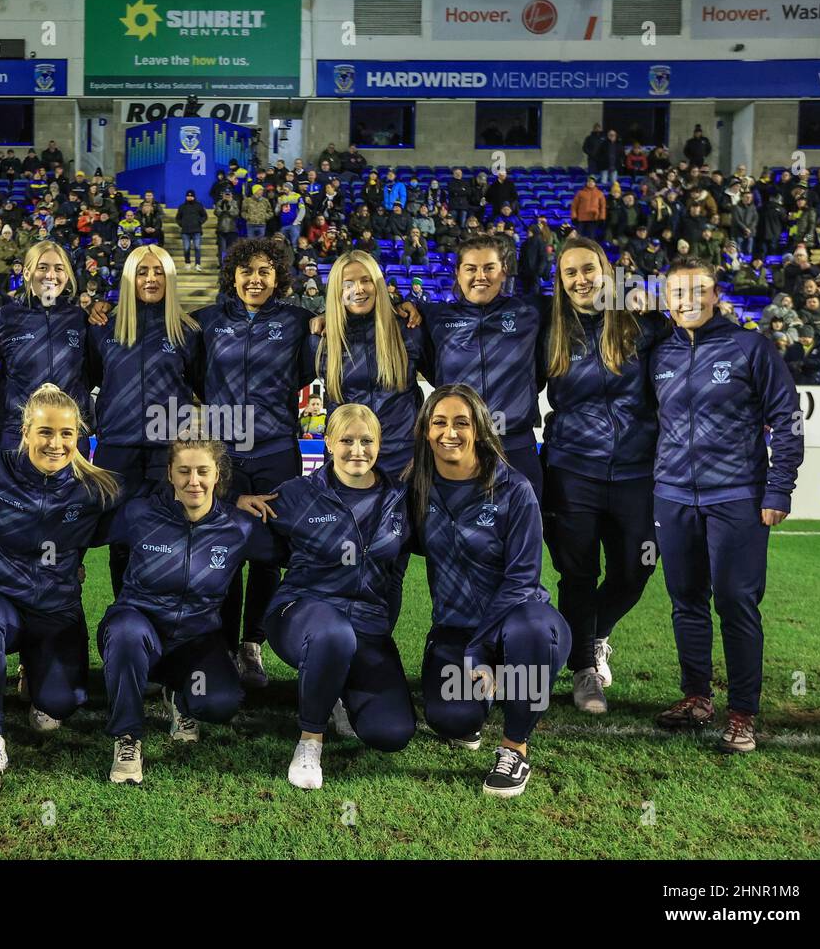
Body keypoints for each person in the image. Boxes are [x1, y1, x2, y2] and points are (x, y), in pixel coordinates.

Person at [649, 257, 804, 753]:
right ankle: (697, 697)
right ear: (666, 300)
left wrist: (778, 489)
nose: (687, 300)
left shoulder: (750, 347)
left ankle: (742, 713)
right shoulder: (658, 352)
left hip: (737, 496)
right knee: (685, 600)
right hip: (672, 495)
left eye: (697, 290)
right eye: (677, 293)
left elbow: (787, 418)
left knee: (736, 601)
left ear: (715, 294)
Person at [0, 385, 122, 791]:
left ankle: (35, 669)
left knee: (59, 706)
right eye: (45, 432)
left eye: (67, 434)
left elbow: (160, 499)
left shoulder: (97, 488)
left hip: (56, 611)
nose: (56, 443)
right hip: (1, 600)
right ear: (25, 431)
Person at [243, 404, 416, 790]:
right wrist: (234, 502)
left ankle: (335, 689)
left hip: (366, 626)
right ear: (328, 444)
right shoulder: (299, 493)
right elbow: (238, 526)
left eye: (367, 441)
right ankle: (310, 739)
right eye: (347, 440)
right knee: (332, 634)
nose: (357, 450)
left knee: (391, 733)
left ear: (380, 444)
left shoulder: (400, 498)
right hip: (301, 613)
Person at [410, 385, 571, 797]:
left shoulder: (514, 490)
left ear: (479, 430)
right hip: (455, 629)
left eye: (462, 422)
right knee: (451, 719)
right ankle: (478, 705)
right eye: (440, 422)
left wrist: (479, 651)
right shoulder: (415, 489)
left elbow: (521, 581)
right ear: (426, 432)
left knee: (531, 632)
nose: (451, 432)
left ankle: (514, 747)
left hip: (518, 622)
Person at [541, 238, 671, 713]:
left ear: (607, 271)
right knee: (576, 574)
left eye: (589, 269)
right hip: (572, 469)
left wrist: (651, 294)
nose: (581, 279)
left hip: (637, 472)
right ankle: (583, 672)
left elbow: (689, 317)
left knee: (637, 568)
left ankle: (595, 635)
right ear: (560, 279)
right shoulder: (547, 327)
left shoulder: (644, 325)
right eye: (570, 271)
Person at [99, 437, 273, 784]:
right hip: (139, 627)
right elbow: (78, 529)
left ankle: (180, 695)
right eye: (184, 471)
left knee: (219, 702)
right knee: (127, 634)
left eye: (202, 471)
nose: (194, 481)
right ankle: (128, 738)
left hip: (195, 640)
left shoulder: (238, 526)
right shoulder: (139, 513)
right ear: (170, 473)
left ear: (217, 475)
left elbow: (290, 551)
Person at [194, 238, 313, 686]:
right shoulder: (206, 321)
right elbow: (196, 376)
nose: (255, 279)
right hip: (223, 455)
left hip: (276, 449)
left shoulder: (298, 321)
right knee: (224, 549)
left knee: (268, 554)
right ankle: (224, 646)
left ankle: (252, 646)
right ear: (233, 276)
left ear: (277, 278)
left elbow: (305, 374)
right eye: (246, 271)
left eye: (264, 271)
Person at [88, 245, 201, 594]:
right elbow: (89, 379)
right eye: (142, 271)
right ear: (129, 278)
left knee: (169, 540)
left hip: (167, 454)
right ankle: (124, 617)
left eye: (158, 272)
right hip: (116, 452)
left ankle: (164, 621)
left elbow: (203, 388)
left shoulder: (187, 331)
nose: (150, 279)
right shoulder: (102, 329)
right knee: (120, 543)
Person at [417, 234, 547, 501]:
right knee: (459, 537)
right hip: (458, 448)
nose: (480, 276)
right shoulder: (435, 318)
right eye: (471, 268)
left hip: (517, 447)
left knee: (524, 535)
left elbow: (587, 299)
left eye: (489, 267)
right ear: (457, 273)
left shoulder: (531, 311)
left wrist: (633, 293)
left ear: (504, 272)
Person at [310, 250, 425, 478]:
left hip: (404, 460)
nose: (358, 289)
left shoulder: (408, 330)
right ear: (336, 291)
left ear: (378, 285)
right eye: (348, 284)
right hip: (347, 462)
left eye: (366, 281)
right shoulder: (320, 338)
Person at [0, 242, 94, 451]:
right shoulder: (8, 316)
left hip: (70, 433)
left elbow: (93, 370)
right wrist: (7, 396)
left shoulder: (78, 318)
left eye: (59, 268)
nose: (51, 275)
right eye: (43, 267)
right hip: (17, 432)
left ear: (67, 276)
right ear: (27, 272)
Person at [175, 189, 208, 272]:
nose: (189, 197)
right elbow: (178, 218)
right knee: (186, 248)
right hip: (185, 231)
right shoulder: (182, 206)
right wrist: (182, 224)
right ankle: (187, 263)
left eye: (191, 196)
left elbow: (205, 216)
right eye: (188, 196)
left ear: (194, 196)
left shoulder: (199, 205)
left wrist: (199, 222)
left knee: (197, 247)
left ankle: (198, 264)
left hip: (196, 230)